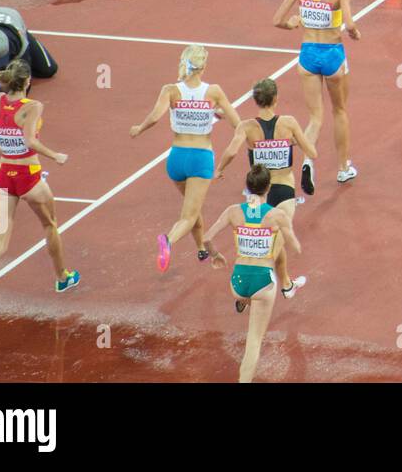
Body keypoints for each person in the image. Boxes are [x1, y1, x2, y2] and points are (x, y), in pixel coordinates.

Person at [0, 61, 79, 320]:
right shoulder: (33, 107)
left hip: (4, 177)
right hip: (28, 177)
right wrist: (55, 155)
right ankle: (62, 277)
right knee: (50, 225)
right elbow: (30, 141)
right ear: (27, 82)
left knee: (0, 243)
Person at [129, 45, 240, 271]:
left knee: (192, 208)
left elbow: (155, 116)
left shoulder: (170, 90)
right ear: (204, 66)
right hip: (201, 159)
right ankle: (168, 240)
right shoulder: (214, 92)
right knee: (188, 217)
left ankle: (201, 248)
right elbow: (237, 123)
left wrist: (140, 129)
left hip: (177, 158)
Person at [272, 0, 361, 186]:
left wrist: (291, 23)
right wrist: (354, 33)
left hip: (308, 55)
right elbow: (350, 23)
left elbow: (277, 19)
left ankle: (308, 161)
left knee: (315, 117)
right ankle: (343, 168)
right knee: (340, 111)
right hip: (332, 54)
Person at [216, 78, 313, 301]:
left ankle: (286, 285)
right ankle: (253, 288)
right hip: (284, 189)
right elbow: (309, 147)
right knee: (272, 244)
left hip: (257, 193)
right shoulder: (287, 124)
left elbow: (231, 151)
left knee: (262, 241)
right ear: (276, 98)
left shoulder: (247, 127)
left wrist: (219, 169)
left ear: (255, 100)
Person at [205, 164, 301, 382]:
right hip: (262, 282)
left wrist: (215, 256)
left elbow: (206, 239)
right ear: (269, 188)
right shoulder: (276, 215)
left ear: (247, 188)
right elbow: (297, 248)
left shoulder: (233, 211)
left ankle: (243, 300)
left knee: (246, 290)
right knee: (254, 341)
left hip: (237, 282)